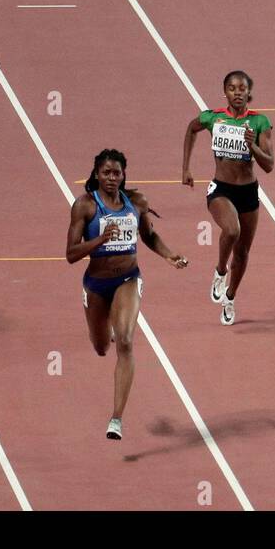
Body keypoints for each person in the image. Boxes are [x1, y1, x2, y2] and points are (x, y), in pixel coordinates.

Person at [66, 149, 187, 440]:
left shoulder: (137, 202)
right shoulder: (85, 206)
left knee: (126, 341)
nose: (111, 178)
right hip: (96, 284)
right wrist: (99, 240)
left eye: (116, 173)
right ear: (96, 175)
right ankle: (106, 323)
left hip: (128, 279)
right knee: (100, 347)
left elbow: (149, 236)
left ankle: (116, 419)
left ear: (123, 175)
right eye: (106, 172)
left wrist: (169, 255)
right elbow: (70, 254)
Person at [182, 71, 273, 326]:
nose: (237, 92)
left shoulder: (259, 122)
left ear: (248, 92)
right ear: (225, 92)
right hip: (221, 189)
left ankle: (230, 297)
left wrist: (253, 146)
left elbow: (269, 165)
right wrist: (185, 168)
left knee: (242, 253)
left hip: (248, 192)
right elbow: (191, 129)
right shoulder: (213, 118)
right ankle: (220, 271)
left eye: (242, 88)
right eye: (232, 88)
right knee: (232, 230)